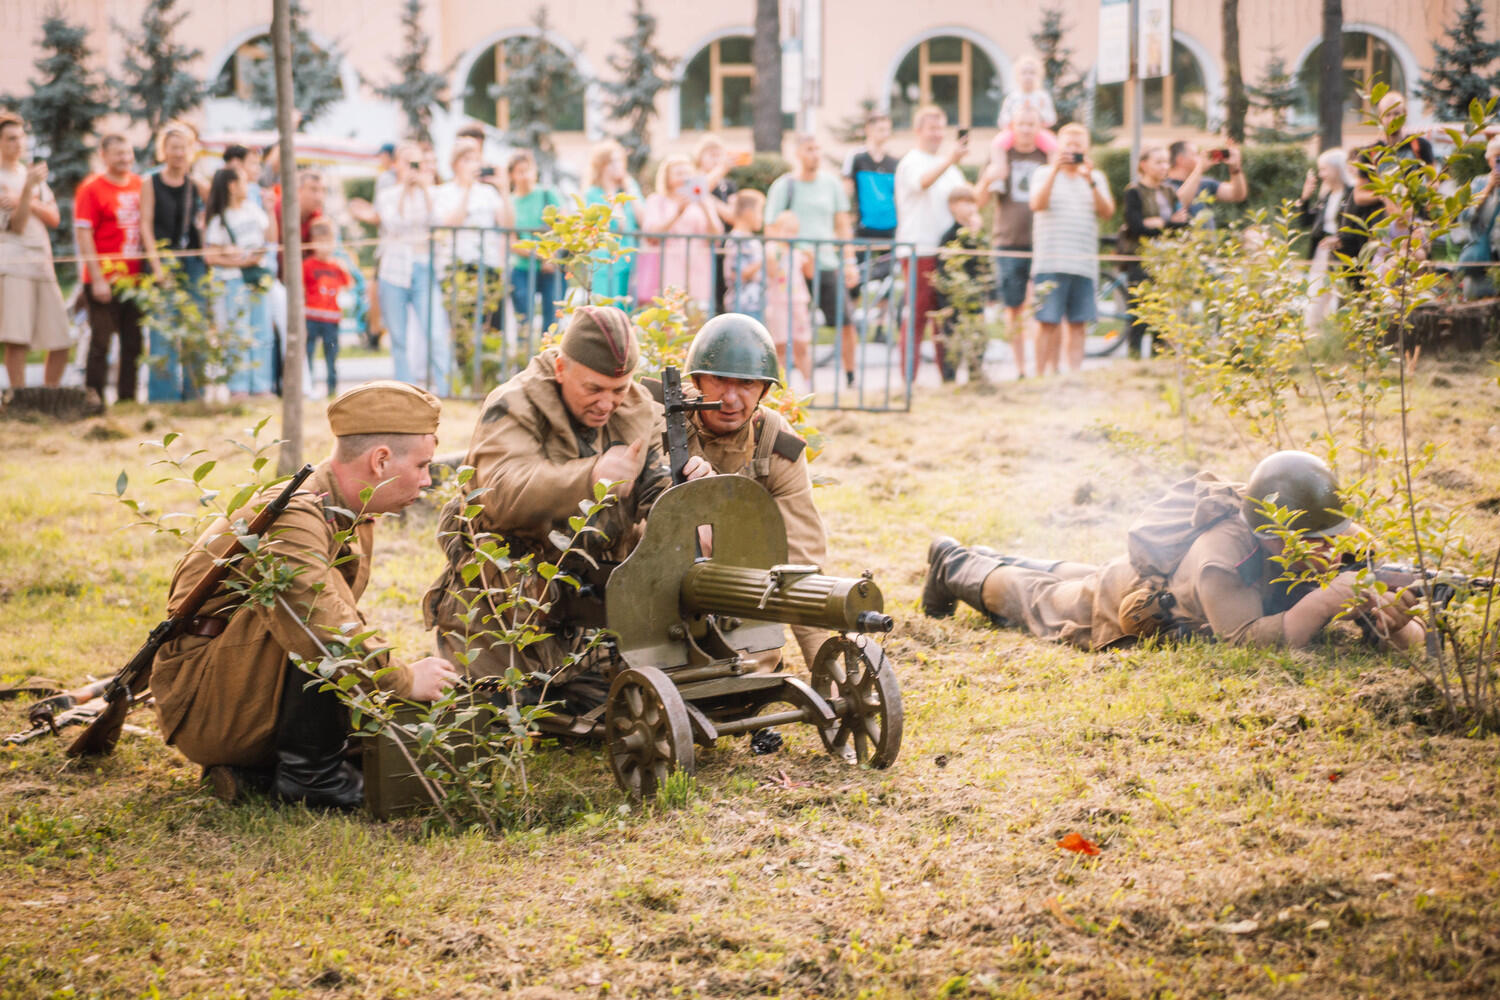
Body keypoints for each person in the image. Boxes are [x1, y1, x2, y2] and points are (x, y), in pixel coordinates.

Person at [151, 381, 460, 808]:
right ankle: (312, 779)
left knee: (332, 617)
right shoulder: (296, 515)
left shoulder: (352, 513)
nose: (427, 481)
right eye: (423, 466)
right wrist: (402, 679)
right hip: (208, 708)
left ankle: (282, 768)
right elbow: (320, 625)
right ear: (381, 460)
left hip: (239, 692)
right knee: (315, 609)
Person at [423, 306, 708, 679]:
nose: (607, 403)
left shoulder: (637, 410)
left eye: (618, 389)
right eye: (593, 389)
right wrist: (590, 476)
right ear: (561, 369)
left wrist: (692, 511)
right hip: (508, 596)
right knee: (504, 714)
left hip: (595, 587)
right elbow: (498, 495)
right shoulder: (514, 404)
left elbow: (657, 492)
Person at [920, 450, 1424, 652]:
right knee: (1039, 600)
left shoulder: (1332, 535)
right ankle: (954, 564)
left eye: (1334, 534)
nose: (1332, 548)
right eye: (1316, 540)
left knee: (1065, 574)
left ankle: (991, 553)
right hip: (1132, 600)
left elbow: (1405, 640)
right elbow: (1246, 641)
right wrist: (1329, 599)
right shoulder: (1222, 556)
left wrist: (1393, 622)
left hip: (1160, 577)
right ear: (1275, 535)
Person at [677, 314, 828, 667]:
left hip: (734, 594)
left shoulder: (775, 443)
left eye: (746, 383)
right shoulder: (658, 419)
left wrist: (827, 670)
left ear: (764, 389)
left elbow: (802, 554)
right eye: (718, 380)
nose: (730, 398)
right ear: (696, 379)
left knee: (755, 660)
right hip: (653, 594)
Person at [765, 134, 861, 388]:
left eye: (818, 149)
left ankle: (851, 378)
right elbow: (770, 229)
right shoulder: (783, 186)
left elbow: (842, 225)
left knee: (846, 322)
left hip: (827, 263)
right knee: (789, 332)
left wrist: (849, 261)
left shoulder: (831, 184)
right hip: (792, 268)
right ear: (797, 153)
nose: (815, 154)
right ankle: (784, 387)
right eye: (809, 149)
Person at [350, 142, 444, 385]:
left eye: (417, 163)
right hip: (394, 270)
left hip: (423, 267)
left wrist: (423, 189)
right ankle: (405, 386)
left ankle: (445, 386)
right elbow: (394, 224)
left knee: (434, 330)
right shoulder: (387, 195)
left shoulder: (432, 193)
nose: (413, 168)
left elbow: (437, 223)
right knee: (398, 336)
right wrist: (405, 191)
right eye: (408, 163)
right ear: (398, 166)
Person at [1029, 124, 1114, 374]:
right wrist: (1055, 170)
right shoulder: (1043, 173)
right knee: (1047, 322)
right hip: (1050, 261)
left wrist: (1091, 182)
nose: (1073, 150)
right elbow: (1037, 204)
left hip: (1084, 263)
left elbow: (1107, 212)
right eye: (1069, 145)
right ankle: (1040, 375)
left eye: (1079, 146)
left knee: (1078, 324)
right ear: (1058, 147)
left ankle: (1074, 377)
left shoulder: (1096, 178)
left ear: (1087, 149)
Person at [895, 106, 970, 382]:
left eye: (941, 128)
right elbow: (922, 183)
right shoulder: (911, 161)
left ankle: (947, 378)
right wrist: (951, 159)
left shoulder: (950, 169)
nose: (938, 134)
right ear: (918, 131)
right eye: (932, 128)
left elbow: (968, 200)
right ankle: (908, 382)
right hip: (919, 250)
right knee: (917, 317)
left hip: (947, 252)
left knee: (945, 318)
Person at [0, 112, 70, 389]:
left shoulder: (30, 175)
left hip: (42, 260)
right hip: (13, 263)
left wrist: (22, 196)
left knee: (61, 338)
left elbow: (54, 218)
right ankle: (19, 399)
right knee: (17, 338)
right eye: (11, 138)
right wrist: (28, 190)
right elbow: (16, 226)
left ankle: (48, 396)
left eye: (21, 138)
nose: (18, 144)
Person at [977, 106, 1048, 374]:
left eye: (1032, 124)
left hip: (1043, 242)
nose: (1027, 129)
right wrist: (987, 179)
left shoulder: (1046, 156)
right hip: (1008, 241)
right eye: (1022, 124)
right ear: (1013, 127)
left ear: (1039, 127)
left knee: (1043, 307)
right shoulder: (1000, 156)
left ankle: (1041, 368)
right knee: (1014, 308)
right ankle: (1020, 369)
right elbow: (979, 201)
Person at [75, 134, 145, 404]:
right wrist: (98, 278)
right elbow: (84, 235)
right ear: (103, 155)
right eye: (118, 153)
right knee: (100, 343)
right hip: (103, 280)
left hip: (136, 280)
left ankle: (128, 399)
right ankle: (94, 399)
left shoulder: (140, 185)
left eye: (128, 152)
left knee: (133, 343)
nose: (125, 158)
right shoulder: (91, 188)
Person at [140, 121, 207, 402]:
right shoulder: (150, 182)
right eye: (173, 147)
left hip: (193, 264)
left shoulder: (198, 185)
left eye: (183, 148)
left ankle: (195, 394)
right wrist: (156, 266)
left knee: (195, 329)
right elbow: (145, 225)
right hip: (162, 261)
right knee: (163, 333)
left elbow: (211, 221)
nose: (178, 153)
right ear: (163, 150)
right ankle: (163, 397)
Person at [203, 165, 275, 397]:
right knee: (238, 335)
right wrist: (241, 262)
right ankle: (239, 387)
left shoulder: (253, 210)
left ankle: (262, 386)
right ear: (232, 186)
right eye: (244, 181)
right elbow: (211, 256)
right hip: (234, 283)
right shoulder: (219, 221)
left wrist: (270, 210)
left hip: (257, 278)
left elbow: (271, 238)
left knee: (262, 333)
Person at [434, 138, 510, 330]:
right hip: (458, 265)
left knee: (492, 325)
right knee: (462, 326)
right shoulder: (444, 192)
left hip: (488, 264)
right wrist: (466, 190)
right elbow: (452, 223)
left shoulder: (488, 193)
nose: (472, 164)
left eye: (476, 159)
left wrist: (504, 189)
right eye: (466, 160)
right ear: (454, 164)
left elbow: (507, 224)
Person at [1119, 144, 1187, 359]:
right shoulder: (1134, 191)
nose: (1163, 166)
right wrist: (1169, 224)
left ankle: (1159, 362)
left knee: (1163, 315)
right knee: (1139, 313)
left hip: (1167, 261)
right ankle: (1135, 359)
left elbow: (1184, 223)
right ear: (1144, 165)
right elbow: (1136, 227)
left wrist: (1160, 223)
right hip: (1141, 259)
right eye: (1158, 162)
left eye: (1166, 161)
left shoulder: (1169, 191)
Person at [637, 155, 724, 311]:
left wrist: (705, 208)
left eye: (687, 173)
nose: (684, 177)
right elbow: (651, 233)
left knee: (697, 313)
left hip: (698, 265)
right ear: (667, 178)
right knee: (671, 314)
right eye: (679, 173)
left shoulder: (705, 200)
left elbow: (716, 236)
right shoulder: (657, 200)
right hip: (668, 266)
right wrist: (677, 213)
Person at [507, 148, 565, 333]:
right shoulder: (510, 202)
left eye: (529, 170)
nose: (526, 176)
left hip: (551, 267)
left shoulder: (548, 195)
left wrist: (552, 254)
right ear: (512, 175)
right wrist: (542, 255)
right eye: (520, 171)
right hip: (523, 267)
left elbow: (565, 227)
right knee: (524, 321)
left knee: (552, 322)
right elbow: (513, 242)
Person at [1297, 148, 1354, 327]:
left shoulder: (1352, 194)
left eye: (1324, 169)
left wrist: (1340, 239)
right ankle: (1312, 337)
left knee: (1342, 299)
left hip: (1344, 254)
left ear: (1337, 169)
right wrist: (1304, 198)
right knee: (1315, 298)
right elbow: (1305, 221)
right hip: (1322, 253)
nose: (1321, 175)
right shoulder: (1326, 196)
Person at [582, 139, 640, 304]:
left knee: (626, 308)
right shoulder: (593, 193)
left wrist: (629, 189)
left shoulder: (629, 188)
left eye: (620, 161)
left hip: (629, 261)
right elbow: (618, 224)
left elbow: (642, 218)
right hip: (604, 264)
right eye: (613, 162)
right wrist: (610, 192)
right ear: (601, 166)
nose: (619, 166)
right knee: (606, 308)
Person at [763, 210, 815, 383]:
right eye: (786, 230)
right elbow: (771, 272)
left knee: (802, 344)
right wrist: (778, 254)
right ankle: (780, 385)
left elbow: (810, 274)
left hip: (798, 300)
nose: (790, 235)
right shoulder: (772, 249)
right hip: (777, 301)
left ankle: (808, 384)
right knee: (780, 345)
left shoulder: (798, 252)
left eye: (793, 231)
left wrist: (811, 257)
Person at [842, 111, 900, 264]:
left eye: (888, 129)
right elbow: (846, 190)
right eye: (881, 129)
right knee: (858, 272)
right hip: (864, 227)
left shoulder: (893, 162)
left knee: (888, 276)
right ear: (869, 129)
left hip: (890, 227)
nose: (885, 134)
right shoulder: (857, 158)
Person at [693, 134, 740, 312]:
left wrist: (712, 202)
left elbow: (733, 215)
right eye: (711, 154)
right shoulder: (695, 179)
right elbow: (696, 191)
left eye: (719, 154)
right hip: (702, 248)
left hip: (724, 247)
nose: (716, 159)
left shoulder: (728, 185)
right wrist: (719, 171)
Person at [303, 218, 350, 398]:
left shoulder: (337, 265)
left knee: (332, 355)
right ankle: (310, 387)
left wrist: (344, 268)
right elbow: (302, 289)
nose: (324, 246)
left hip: (331, 319)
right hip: (312, 317)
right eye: (320, 242)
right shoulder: (307, 265)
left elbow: (348, 284)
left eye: (328, 241)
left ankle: (332, 388)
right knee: (309, 354)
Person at [1165, 139, 1248, 225]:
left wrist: (1235, 168)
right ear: (1181, 159)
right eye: (1196, 154)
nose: (1200, 158)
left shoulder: (1205, 183)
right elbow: (1179, 204)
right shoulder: (1165, 186)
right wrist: (1199, 168)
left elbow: (1237, 195)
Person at [1457, 135, 1500, 300]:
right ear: (1489, 159)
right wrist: (1488, 190)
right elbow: (1465, 217)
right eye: (1497, 158)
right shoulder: (1478, 184)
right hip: (1481, 259)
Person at [994, 56, 1059, 160]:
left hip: (1038, 133)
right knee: (998, 142)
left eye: (1032, 73)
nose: (1028, 76)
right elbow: (1002, 120)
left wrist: (1038, 115)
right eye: (1024, 73)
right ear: (1018, 76)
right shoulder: (1012, 97)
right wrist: (1015, 119)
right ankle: (999, 167)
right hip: (1014, 133)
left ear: (1039, 76)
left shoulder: (1042, 97)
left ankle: (1052, 169)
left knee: (1053, 144)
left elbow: (1052, 119)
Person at [723, 189, 767, 319]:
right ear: (748, 213)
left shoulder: (751, 239)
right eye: (760, 212)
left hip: (755, 303)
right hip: (743, 304)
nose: (762, 217)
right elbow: (737, 274)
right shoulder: (737, 239)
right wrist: (762, 261)